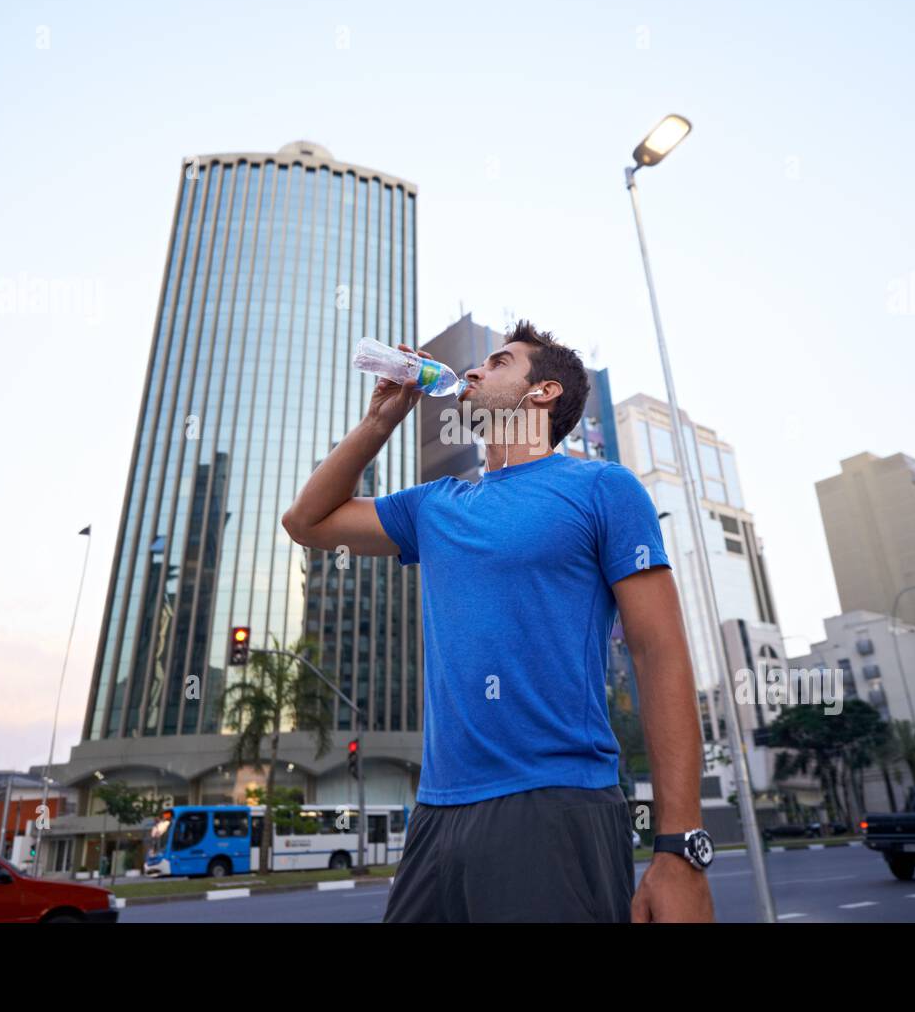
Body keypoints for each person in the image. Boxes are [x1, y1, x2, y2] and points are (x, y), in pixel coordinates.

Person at [282, 320, 714, 922]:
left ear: (543, 393)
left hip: (554, 802)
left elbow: (658, 653)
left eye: (500, 362)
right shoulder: (435, 504)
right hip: (435, 815)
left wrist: (680, 848)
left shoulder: (602, 488)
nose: (476, 371)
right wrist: (380, 421)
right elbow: (306, 522)